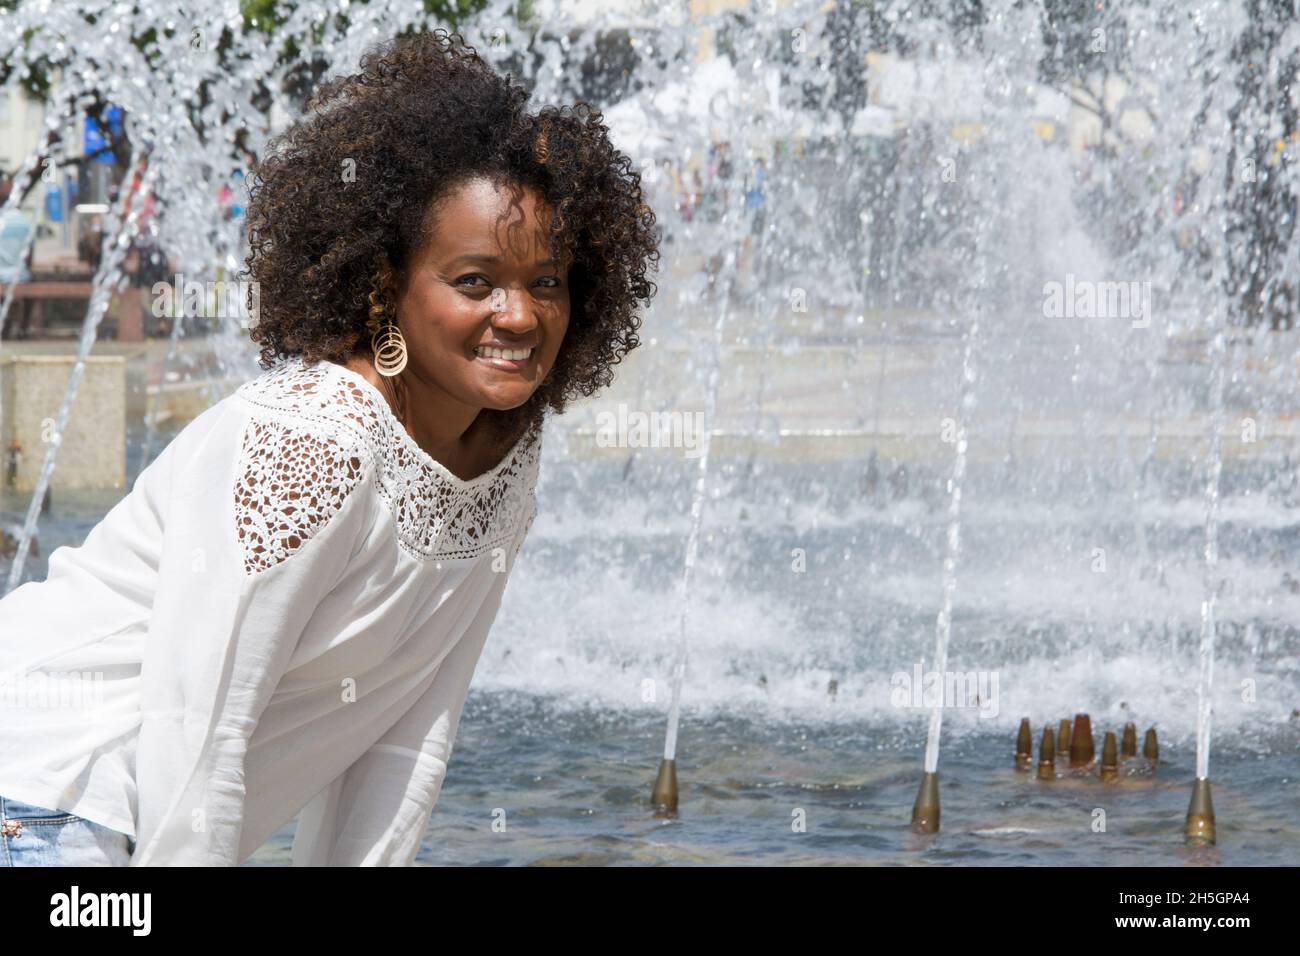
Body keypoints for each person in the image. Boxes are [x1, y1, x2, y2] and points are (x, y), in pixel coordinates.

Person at [0, 29, 659, 867]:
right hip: (41, 791)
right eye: (474, 281)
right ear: (386, 287)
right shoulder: (314, 440)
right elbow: (197, 721)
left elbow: (409, 732)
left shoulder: (504, 458)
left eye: (547, 282)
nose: (520, 316)